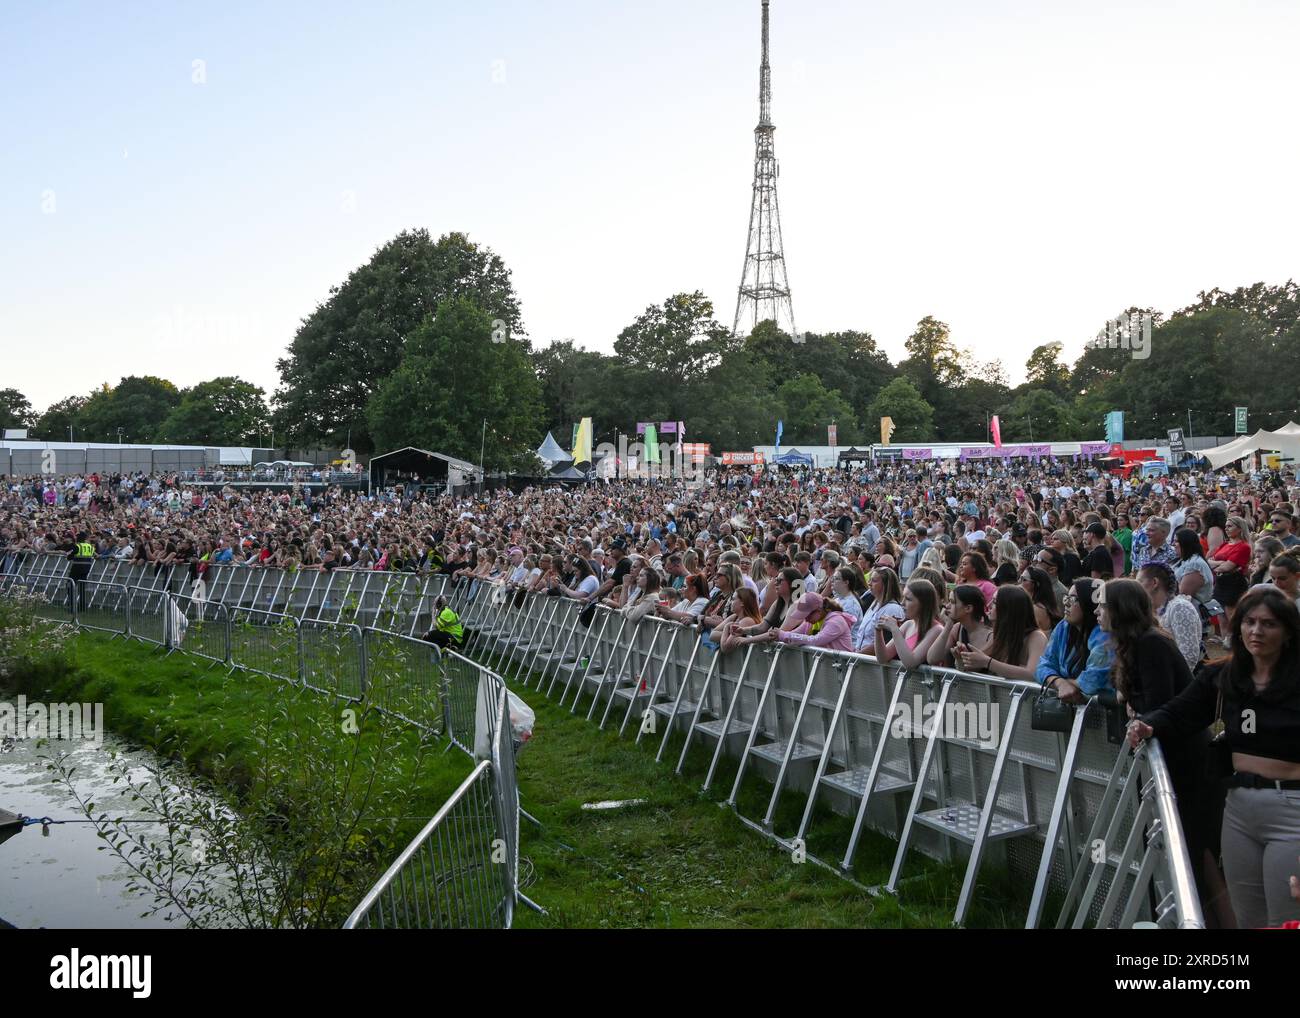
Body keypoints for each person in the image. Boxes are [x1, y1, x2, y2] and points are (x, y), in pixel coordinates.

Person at [1129, 587, 1300, 928]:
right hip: (1237, 810)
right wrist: (1147, 725)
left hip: (1292, 812)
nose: (1256, 631)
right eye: (1249, 622)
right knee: (1248, 916)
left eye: (1268, 624)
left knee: (1287, 918)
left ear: (1288, 632)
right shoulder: (1224, 675)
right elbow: (1181, 712)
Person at [1102, 578, 1228, 922]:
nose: (1099, 611)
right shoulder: (1135, 644)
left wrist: (1137, 711)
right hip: (1175, 759)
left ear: (1120, 609)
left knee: (1197, 854)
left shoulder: (1150, 644)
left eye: (1104, 605)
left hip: (1189, 766)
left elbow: (1161, 702)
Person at [1035, 577, 1113, 702]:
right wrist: (1060, 683)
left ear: (1089, 603)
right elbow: (1042, 665)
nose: (1066, 603)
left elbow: (1091, 683)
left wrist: (1059, 682)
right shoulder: (1064, 626)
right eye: (1066, 597)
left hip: (1103, 714)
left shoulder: (1104, 635)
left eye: (1073, 599)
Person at [955, 585, 1047, 681]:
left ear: (1008, 609)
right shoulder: (999, 634)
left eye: (994, 602)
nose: (989, 605)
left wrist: (988, 663)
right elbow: (977, 664)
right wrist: (964, 657)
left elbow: (1033, 674)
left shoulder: (1036, 637)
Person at [1137, 562, 1204, 672]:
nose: (1137, 587)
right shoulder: (1151, 609)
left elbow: (1188, 657)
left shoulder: (1180, 607)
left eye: (1139, 582)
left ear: (1154, 583)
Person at [876, 578, 944, 667]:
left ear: (923, 603)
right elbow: (883, 658)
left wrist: (895, 630)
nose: (902, 603)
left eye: (908, 599)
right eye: (903, 597)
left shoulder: (937, 630)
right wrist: (878, 631)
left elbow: (911, 662)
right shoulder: (908, 625)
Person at [928, 584, 993, 668]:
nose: (947, 606)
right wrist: (948, 626)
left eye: (952, 602)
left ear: (968, 608)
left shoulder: (990, 635)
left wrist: (959, 659)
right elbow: (932, 659)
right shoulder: (957, 628)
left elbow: (973, 667)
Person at [765, 591, 857, 651]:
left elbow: (816, 640)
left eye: (808, 615)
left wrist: (783, 634)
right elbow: (794, 633)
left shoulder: (836, 621)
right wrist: (778, 635)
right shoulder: (812, 622)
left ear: (819, 610)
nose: (806, 619)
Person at [854, 566, 906, 654]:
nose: (869, 583)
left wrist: (858, 654)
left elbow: (887, 642)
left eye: (874, 580)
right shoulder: (874, 604)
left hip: (873, 662)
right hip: (861, 659)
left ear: (886, 585)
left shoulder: (893, 609)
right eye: (870, 580)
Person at [1210, 516, 1253, 611]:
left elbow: (1225, 568)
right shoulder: (1225, 544)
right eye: (1225, 526)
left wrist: (1216, 564)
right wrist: (1222, 562)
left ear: (1239, 529)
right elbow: (1208, 561)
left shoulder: (1243, 547)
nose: (1226, 528)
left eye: (1230, 526)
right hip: (1219, 584)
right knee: (1219, 617)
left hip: (1233, 585)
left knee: (1231, 619)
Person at [1018, 564, 1062, 632]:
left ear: (1037, 584)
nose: (1019, 581)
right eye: (1020, 578)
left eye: (1024, 579)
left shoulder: (1037, 609)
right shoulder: (1041, 605)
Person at [66, 530, 96, 611]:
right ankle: (82, 607)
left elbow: (69, 557)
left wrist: (68, 554)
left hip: (76, 568)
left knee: (70, 585)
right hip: (86, 569)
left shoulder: (77, 546)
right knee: (82, 588)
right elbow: (94, 554)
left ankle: (72, 606)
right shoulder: (90, 546)